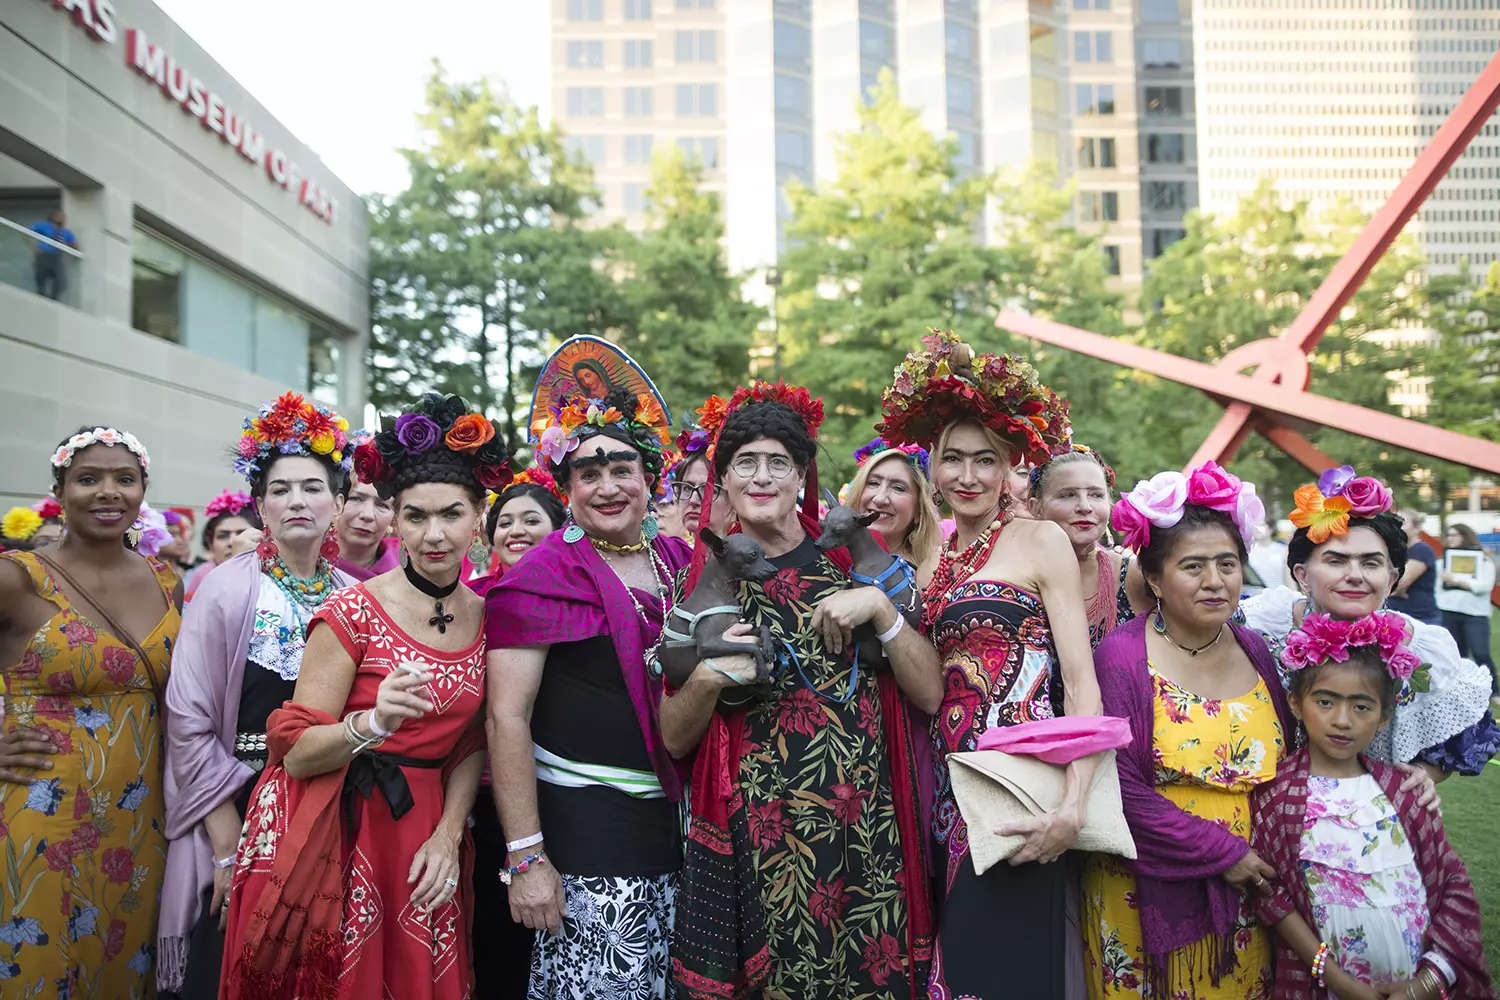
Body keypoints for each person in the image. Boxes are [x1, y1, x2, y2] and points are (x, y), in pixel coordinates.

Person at [220, 392, 508, 999]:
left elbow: (472, 744)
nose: (434, 534)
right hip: (336, 822)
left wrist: (449, 835)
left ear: (479, 517)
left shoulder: (490, 617)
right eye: (415, 516)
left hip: (425, 826)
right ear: (393, 520)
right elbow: (295, 751)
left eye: (452, 514)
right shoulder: (352, 610)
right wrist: (372, 722)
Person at [663, 381, 941, 999]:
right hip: (758, 835)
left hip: (865, 827)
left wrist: (879, 610)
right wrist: (709, 677)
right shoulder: (705, 582)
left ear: (802, 476)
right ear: (724, 482)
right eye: (745, 464)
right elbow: (672, 736)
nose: (762, 478)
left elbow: (927, 693)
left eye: (778, 463)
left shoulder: (851, 562)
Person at [879, 331, 1097, 999]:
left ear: (1010, 468)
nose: (967, 477)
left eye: (985, 460)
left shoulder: (1040, 540)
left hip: (1021, 786)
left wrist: (1074, 807)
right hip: (938, 786)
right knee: (951, 965)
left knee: (1001, 972)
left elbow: (1080, 683)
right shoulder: (928, 556)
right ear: (933, 467)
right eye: (952, 460)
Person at [488, 372, 692, 999]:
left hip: (683, 828)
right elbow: (506, 718)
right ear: (567, 487)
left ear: (649, 477)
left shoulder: (680, 563)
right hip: (588, 834)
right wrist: (526, 857)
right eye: (588, 473)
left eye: (622, 469)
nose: (608, 487)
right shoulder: (542, 574)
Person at [158, 393, 356, 996]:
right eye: (280, 489)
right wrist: (226, 843)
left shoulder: (356, 594)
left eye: (313, 487)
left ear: (339, 502)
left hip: (333, 799)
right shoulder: (224, 589)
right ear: (261, 506)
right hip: (238, 799)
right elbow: (188, 721)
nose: (297, 500)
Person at [1085, 462, 1287, 1000]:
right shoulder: (1122, 659)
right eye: (1193, 566)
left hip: (1251, 893)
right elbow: (1117, 786)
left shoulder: (1257, 651)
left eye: (1227, 563)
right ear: (1154, 577)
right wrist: (1224, 853)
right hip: (1146, 889)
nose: (1215, 581)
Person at [0, 425, 181, 993]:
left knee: (123, 969)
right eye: (88, 478)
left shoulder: (167, 581)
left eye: (124, 479)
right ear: (59, 489)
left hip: (141, 820)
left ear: (142, 489)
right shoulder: (14, 577)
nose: (108, 492)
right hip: (41, 809)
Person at [1252, 611, 1494, 999]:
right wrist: (1336, 978)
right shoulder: (1276, 795)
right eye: (1326, 702)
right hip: (1327, 986)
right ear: (1296, 704)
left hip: (1415, 981)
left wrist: (1426, 983)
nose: (1343, 720)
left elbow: (1451, 884)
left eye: (1361, 707)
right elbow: (1271, 896)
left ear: (1385, 717)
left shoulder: (1405, 792)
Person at [1240, 467, 1499, 777]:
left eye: (1371, 562)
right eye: (1336, 560)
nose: (1355, 575)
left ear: (1391, 581)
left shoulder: (1423, 648)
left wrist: (1424, 775)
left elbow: (1455, 742)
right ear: (1302, 575)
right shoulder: (1261, 623)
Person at [464, 470, 564, 997]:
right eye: (505, 521)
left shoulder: (579, 600)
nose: (516, 530)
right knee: (493, 939)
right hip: (480, 796)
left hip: (558, 793)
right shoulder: (470, 603)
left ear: (561, 530)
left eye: (532, 519)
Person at [1028, 445, 1135, 650]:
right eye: (1067, 495)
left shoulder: (1133, 576)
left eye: (1096, 495)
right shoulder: (1014, 577)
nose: (1085, 506)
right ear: (1035, 508)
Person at [847, 435, 943, 587]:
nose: (880, 499)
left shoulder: (928, 580)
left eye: (898, 488)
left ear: (919, 511)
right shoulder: (826, 560)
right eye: (873, 483)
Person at [1437, 523, 1496, 693]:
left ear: (1465, 536)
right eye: (1448, 535)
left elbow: (1484, 586)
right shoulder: (1442, 562)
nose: (1450, 539)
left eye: (1455, 535)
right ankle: (1460, 691)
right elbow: (1437, 588)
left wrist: (1455, 580)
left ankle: (1494, 691)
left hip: (1475, 614)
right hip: (1448, 611)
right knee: (1456, 654)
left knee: (1481, 653)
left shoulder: (1484, 561)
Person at [184, 490, 262, 602]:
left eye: (241, 533)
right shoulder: (200, 576)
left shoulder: (276, 576)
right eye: (222, 536)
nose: (232, 542)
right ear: (210, 544)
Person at [671, 394, 731, 539]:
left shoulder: (751, 559)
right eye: (686, 488)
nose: (693, 501)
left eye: (707, 490)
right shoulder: (670, 558)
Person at [333, 478, 400, 581]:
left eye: (382, 505)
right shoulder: (307, 559)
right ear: (336, 503)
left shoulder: (406, 570)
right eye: (355, 499)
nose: (367, 515)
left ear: (394, 518)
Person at [1390, 509, 1441, 626]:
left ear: (1417, 528)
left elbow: (1400, 583)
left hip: (1419, 619)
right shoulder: (1395, 551)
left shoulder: (1422, 550)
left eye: (1402, 523)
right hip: (1396, 616)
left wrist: (1379, 591)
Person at [31, 208, 77, 300]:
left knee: (59, 282)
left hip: (57, 258)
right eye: (60, 216)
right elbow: (26, 233)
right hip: (43, 256)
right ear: (54, 217)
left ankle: (54, 299)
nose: (63, 219)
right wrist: (34, 248)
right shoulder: (43, 226)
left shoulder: (66, 233)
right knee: (41, 280)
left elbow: (74, 245)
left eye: (64, 217)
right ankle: (41, 298)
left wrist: (71, 246)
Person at [1248, 519, 1290, 591]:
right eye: (1255, 526)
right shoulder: (1247, 551)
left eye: (1261, 525)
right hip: (1256, 598)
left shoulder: (1283, 550)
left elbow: (1289, 579)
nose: (1257, 529)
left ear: (1271, 528)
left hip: (1280, 596)